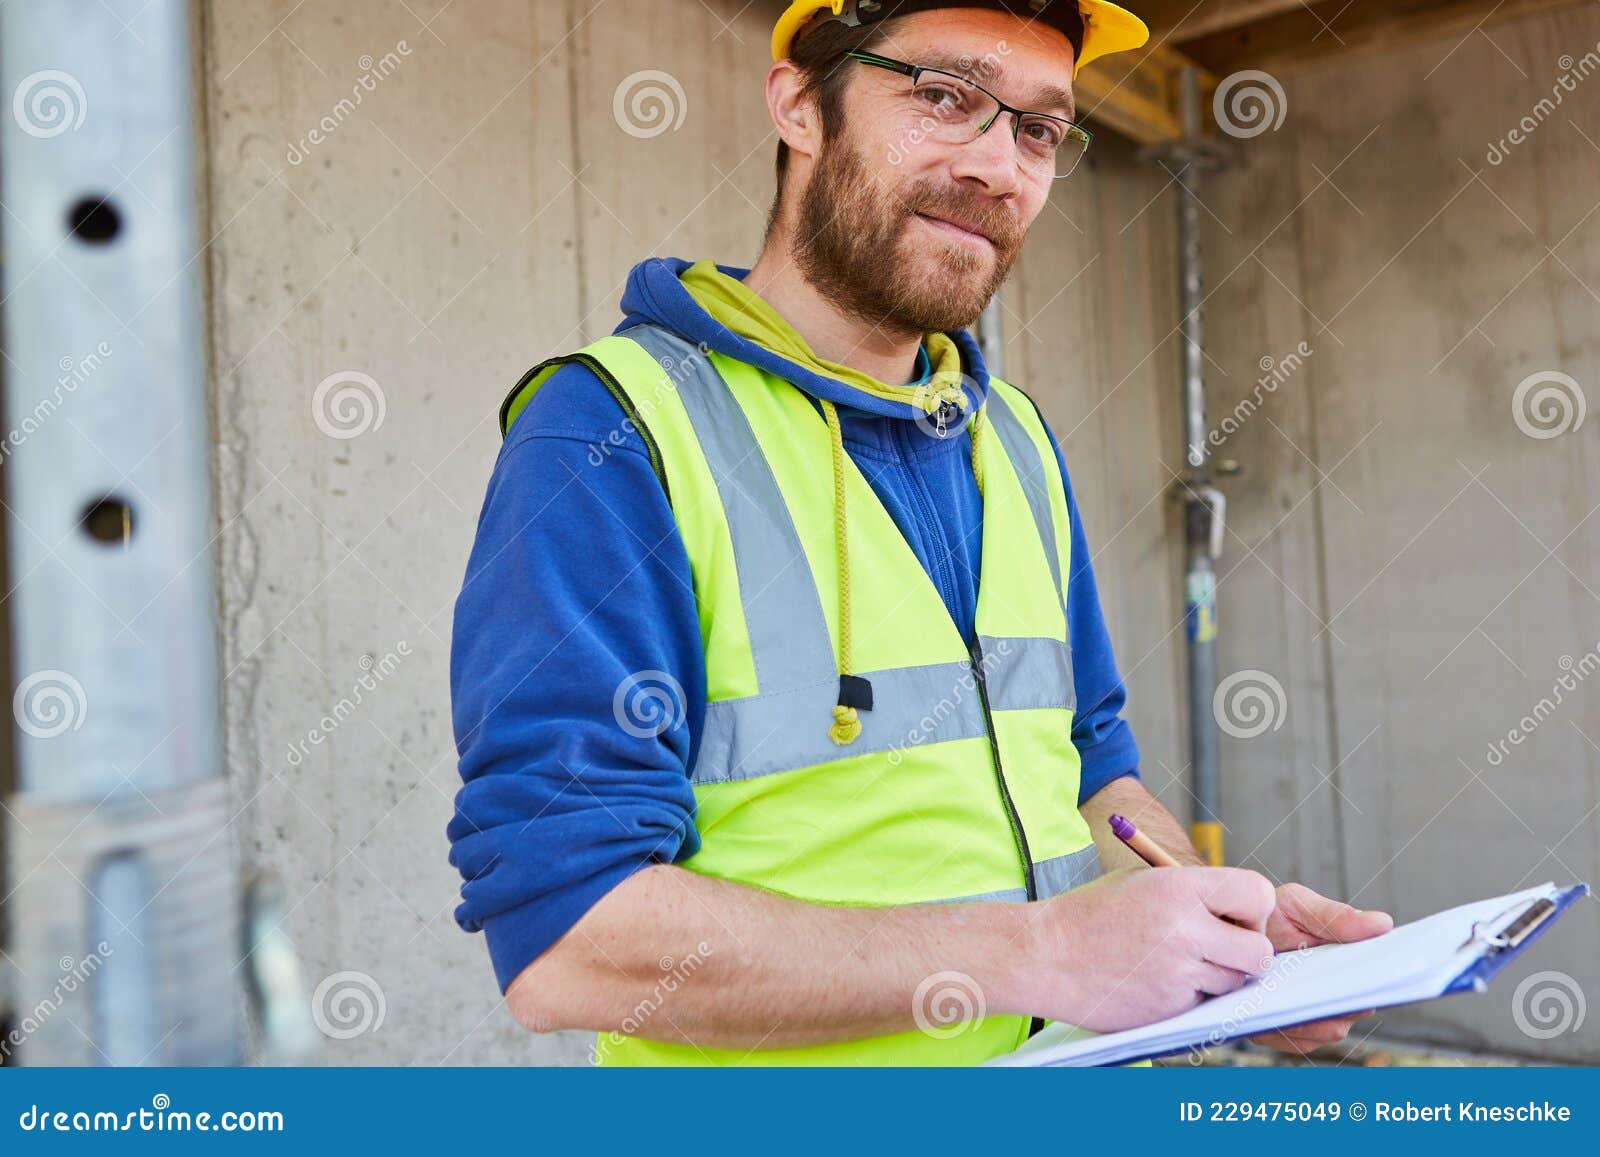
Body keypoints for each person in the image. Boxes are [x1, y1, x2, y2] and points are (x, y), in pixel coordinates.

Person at [447, 0, 1392, 1065]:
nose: (1001, 168)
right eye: (946, 98)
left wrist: (1218, 934)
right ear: (800, 105)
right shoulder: (615, 432)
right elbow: (568, 940)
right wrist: (1037, 950)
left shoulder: (1015, 439)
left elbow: (1095, 780)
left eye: (1038, 129)